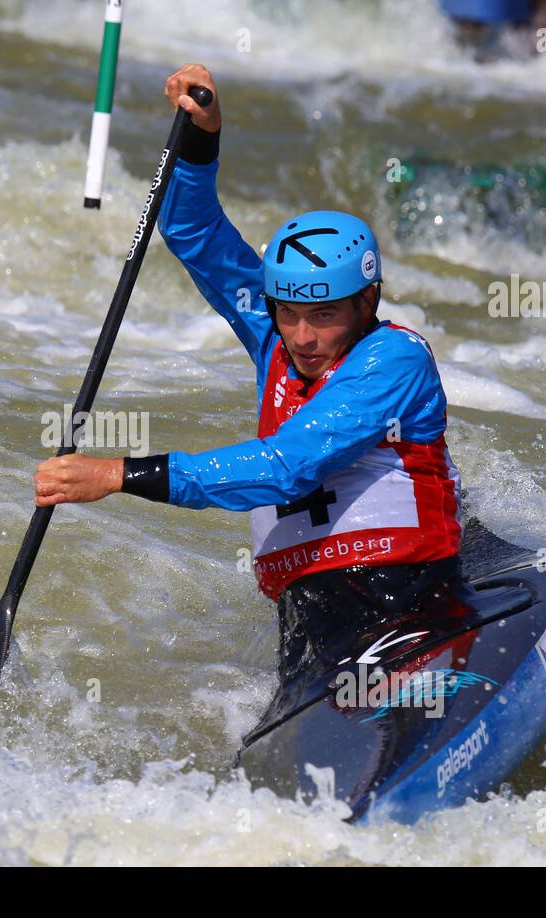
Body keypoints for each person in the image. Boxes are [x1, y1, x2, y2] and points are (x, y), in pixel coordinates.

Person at [33, 64, 474, 683]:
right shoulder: (273, 337)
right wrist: (202, 137)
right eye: (288, 313)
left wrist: (117, 474)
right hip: (310, 610)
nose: (302, 337)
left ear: (366, 304)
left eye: (323, 315)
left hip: (404, 597)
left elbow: (287, 467)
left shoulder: (393, 360)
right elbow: (192, 230)